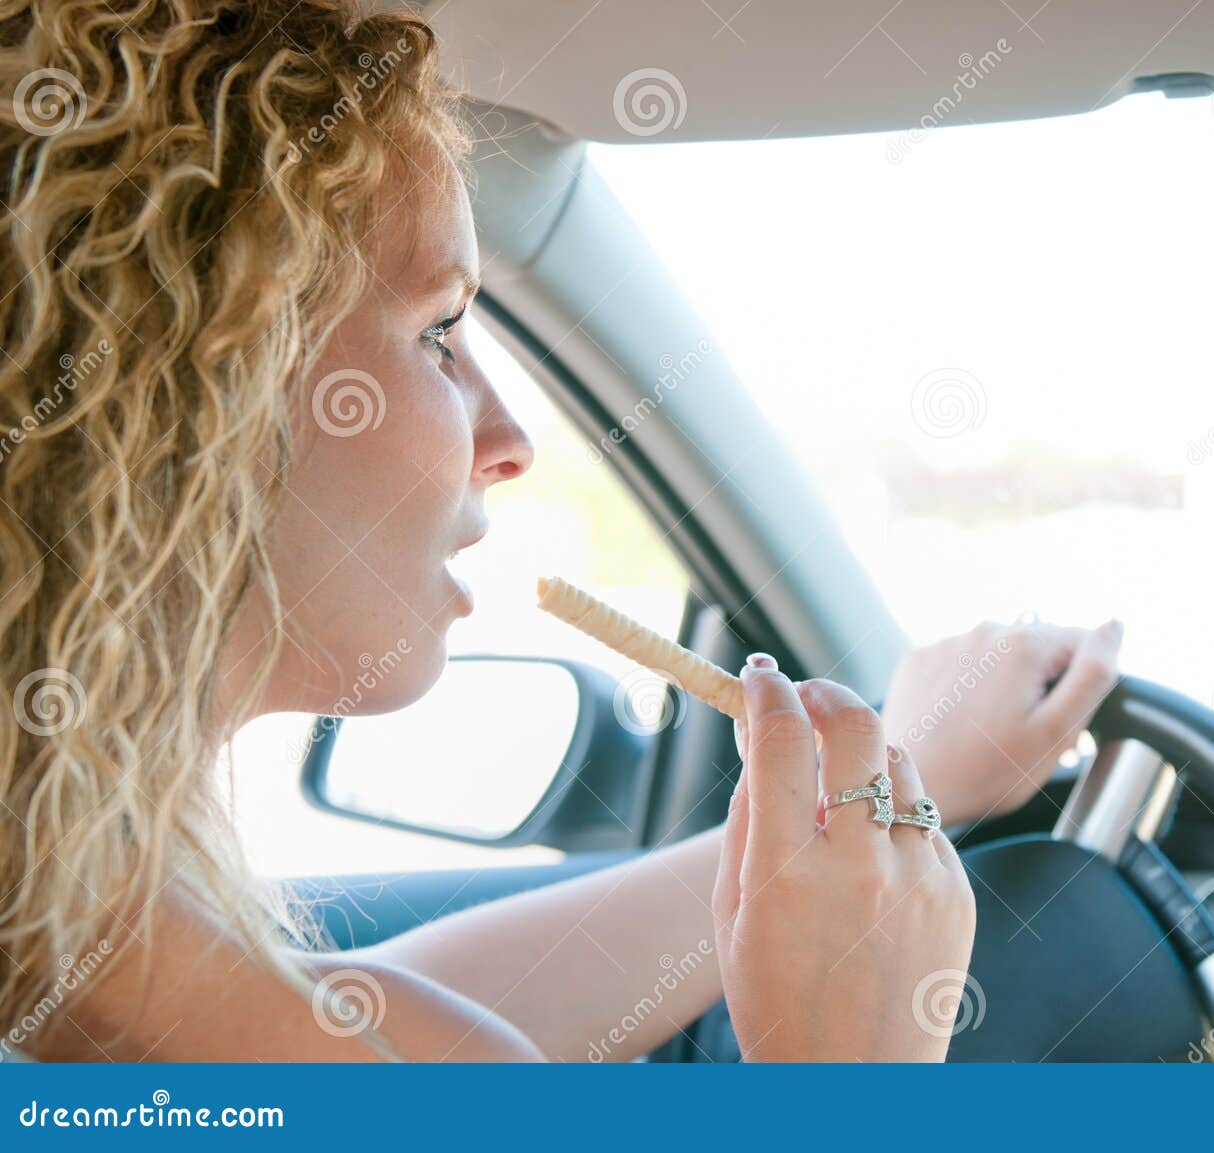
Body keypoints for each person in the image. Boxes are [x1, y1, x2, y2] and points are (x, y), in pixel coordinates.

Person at [0, 0, 1122, 1062]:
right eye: (438, 333)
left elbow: (364, 1013)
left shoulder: (76, 961)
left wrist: (907, 778)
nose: (510, 439)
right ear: (198, 397)